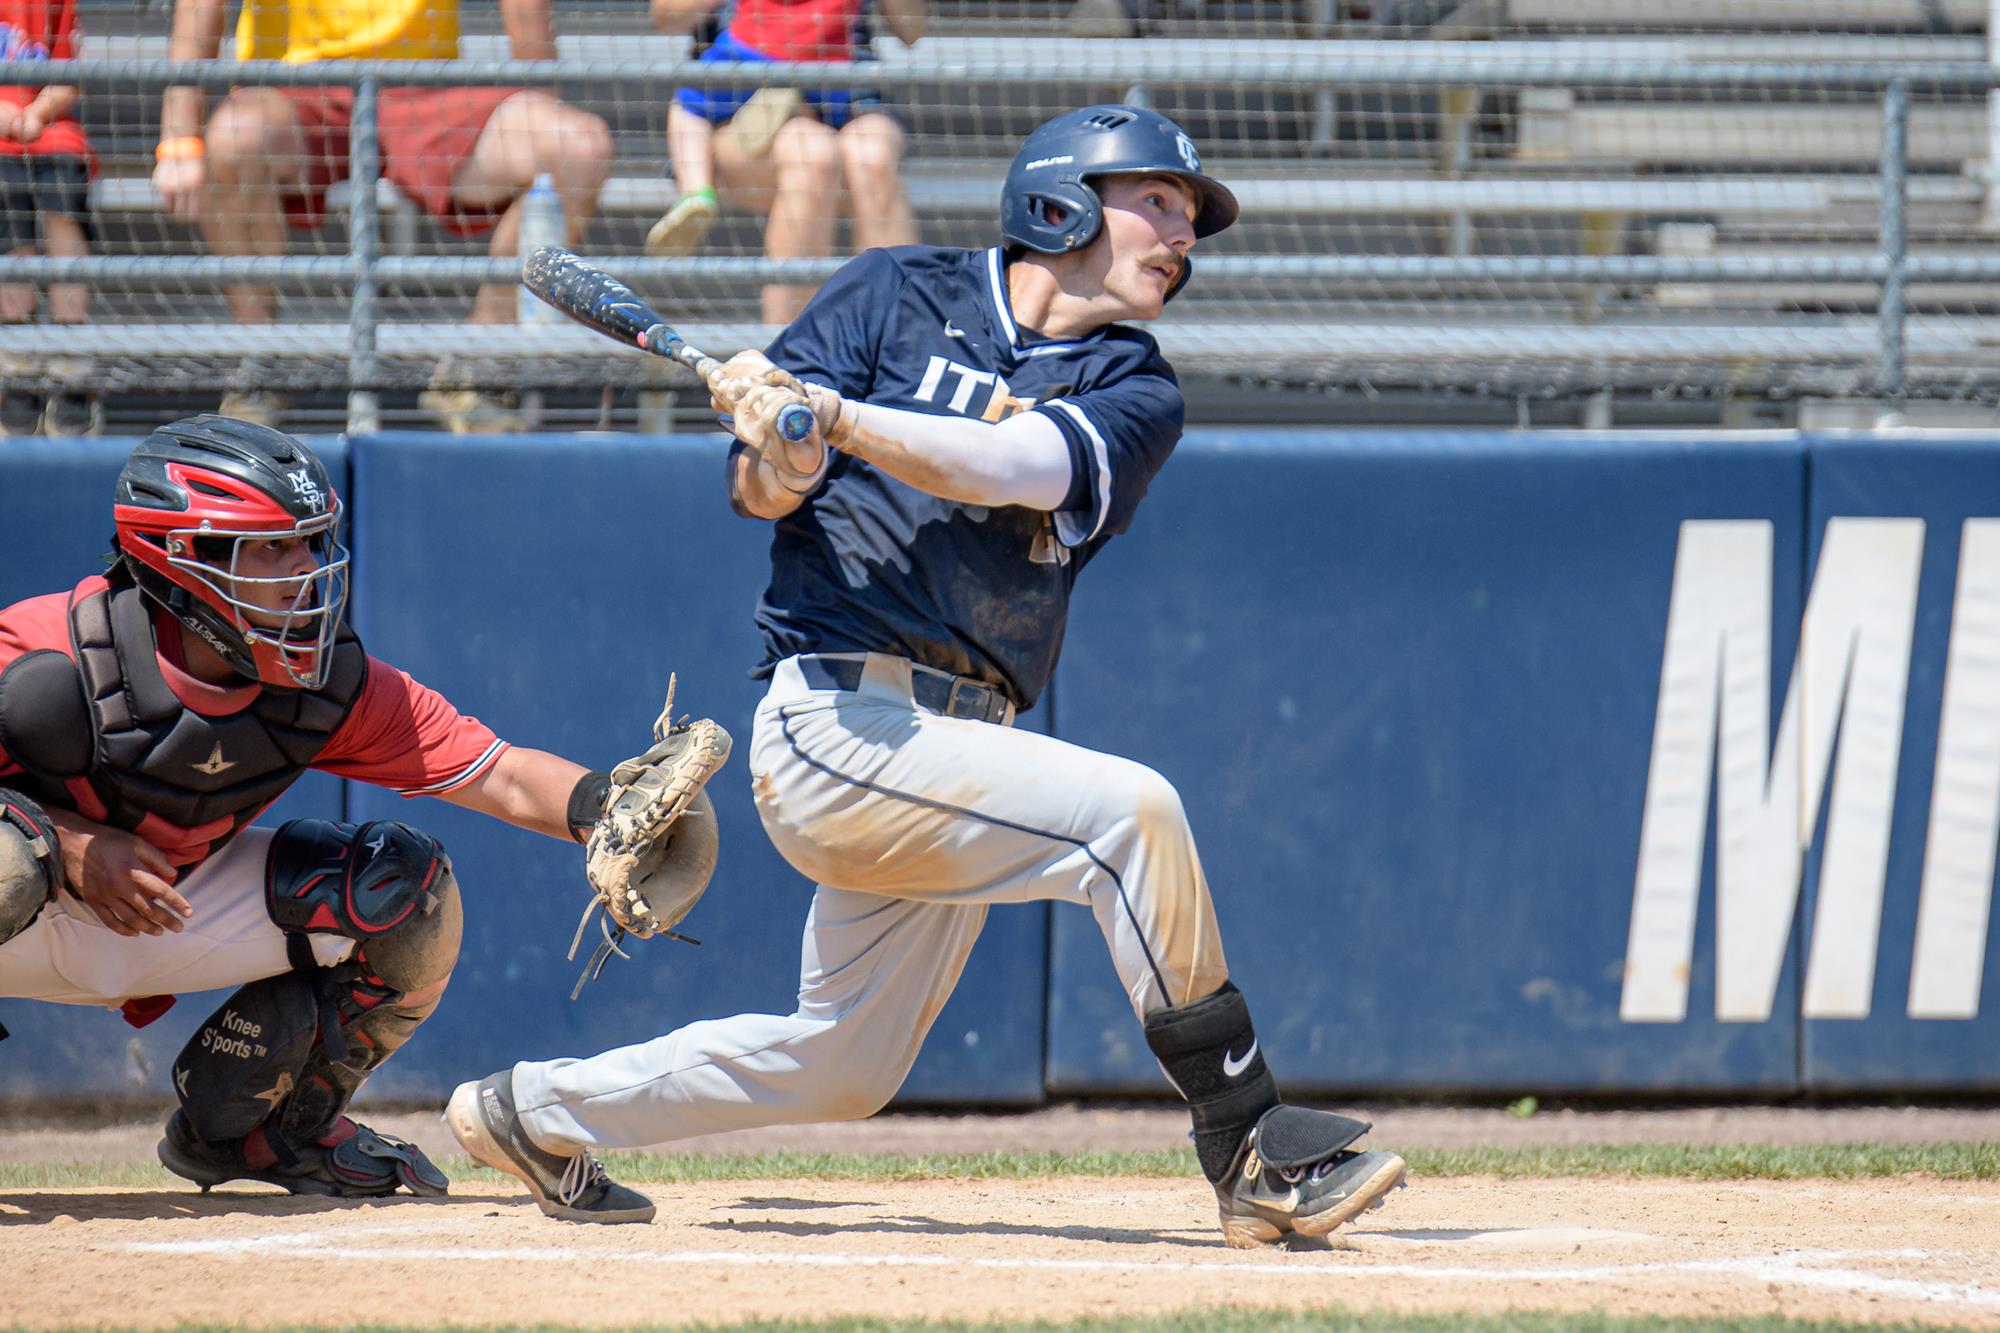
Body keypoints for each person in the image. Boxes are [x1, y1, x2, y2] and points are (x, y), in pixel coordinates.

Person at [448, 105, 1409, 1248]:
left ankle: (526, 1111)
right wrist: (784, 450)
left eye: (1189, 216)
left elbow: (1017, 463)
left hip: (960, 750)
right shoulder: (891, 294)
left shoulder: (1133, 387)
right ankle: (1247, 1145)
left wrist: (841, 421)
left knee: (843, 1061)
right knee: (1130, 817)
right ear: (1058, 202)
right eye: (1154, 199)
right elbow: (759, 490)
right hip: (838, 725)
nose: (1180, 232)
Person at [0, 415, 666, 1218]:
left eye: (312, 543)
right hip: (30, 920)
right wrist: (71, 842)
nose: (306, 569)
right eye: (273, 547)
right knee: (12, 858)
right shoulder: (46, 649)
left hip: (164, 909)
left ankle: (261, 1132)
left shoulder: (320, 684)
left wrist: (608, 810)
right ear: (186, 558)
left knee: (406, 890)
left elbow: (501, 773)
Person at [150, 0, 613, 432]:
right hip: (292, 84)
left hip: (424, 83)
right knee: (233, 138)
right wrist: (178, 136)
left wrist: (542, 101)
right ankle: (261, 359)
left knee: (576, 149)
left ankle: (478, 360)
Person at [645, 0, 923, 323]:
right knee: (812, 154)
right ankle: (792, 358)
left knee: (872, 157)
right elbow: (665, 16)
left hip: (846, 90)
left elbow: (913, 31)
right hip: (742, 98)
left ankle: (900, 343)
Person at [0, 0, 99, 435]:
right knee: (10, 224)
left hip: (50, 127)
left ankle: (70, 362)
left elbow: (67, 77)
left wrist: (36, 113)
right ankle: (17, 367)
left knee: (63, 202)